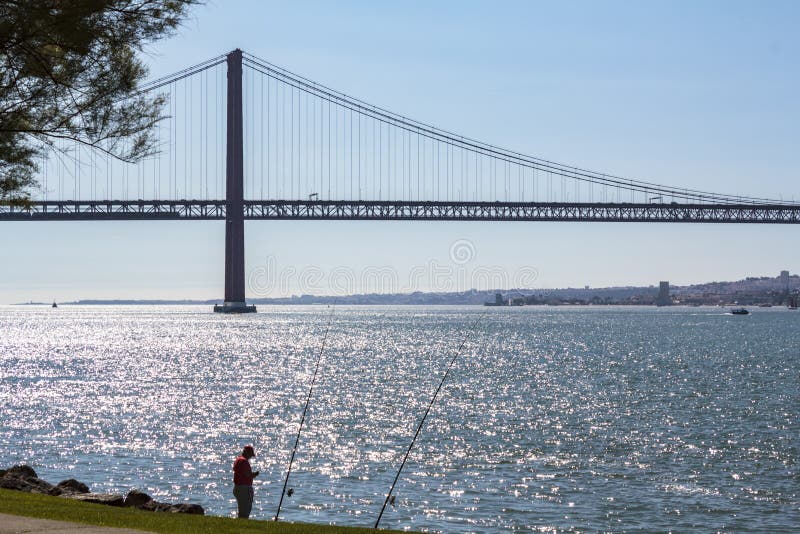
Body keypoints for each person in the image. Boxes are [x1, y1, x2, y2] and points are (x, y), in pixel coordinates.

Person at [232, 444, 259, 518]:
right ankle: (242, 524)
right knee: (245, 510)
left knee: (242, 509)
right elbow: (248, 475)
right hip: (244, 488)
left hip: (237, 487)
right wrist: (254, 474)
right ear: (247, 453)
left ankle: (240, 523)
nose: (251, 457)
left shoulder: (238, 460)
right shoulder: (244, 461)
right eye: (250, 454)